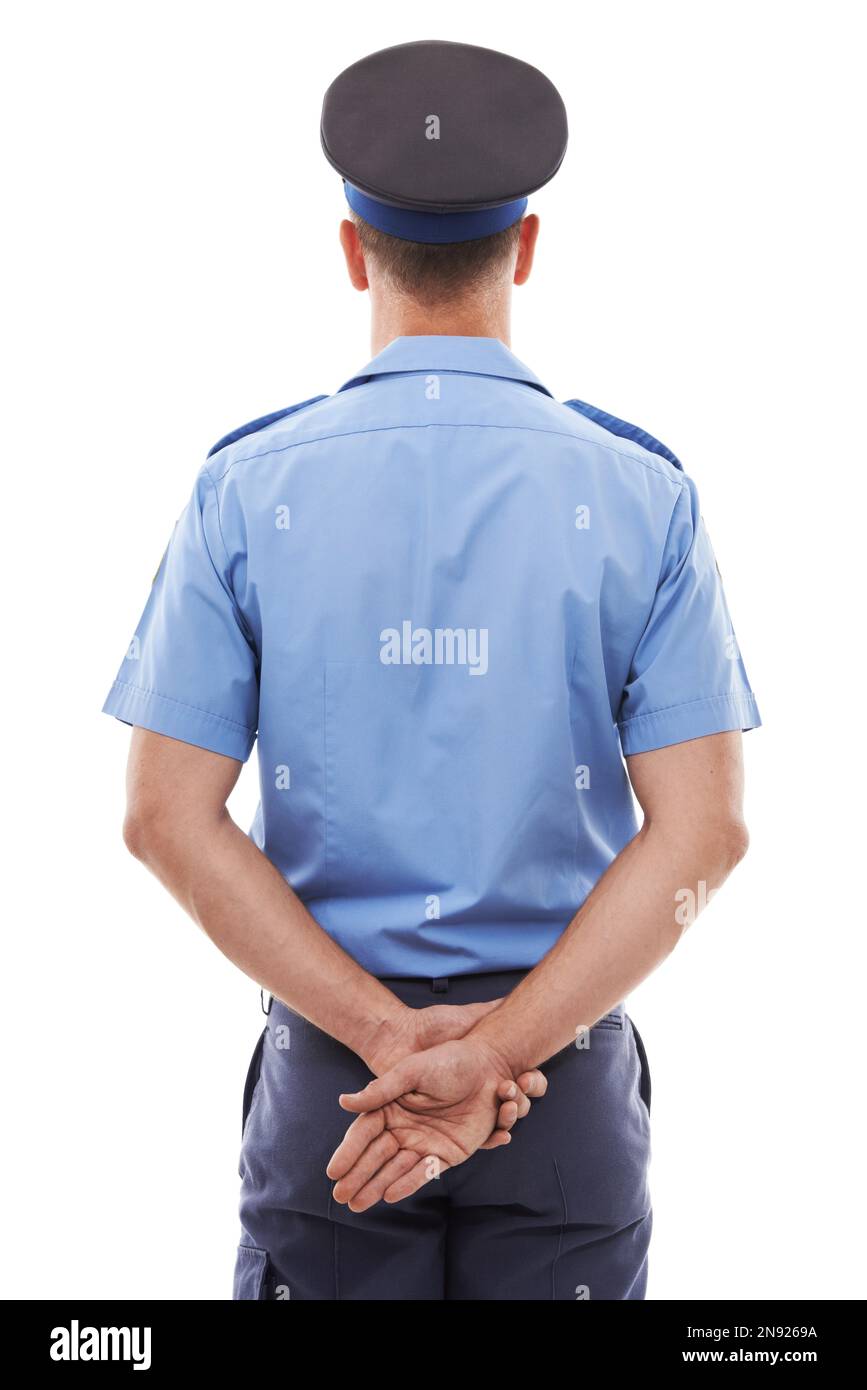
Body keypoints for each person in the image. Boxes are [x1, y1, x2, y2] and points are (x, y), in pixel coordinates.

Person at [103, 40, 761, 1300]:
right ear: (526, 247)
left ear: (353, 251)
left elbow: (161, 814)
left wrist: (389, 1040)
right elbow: (707, 832)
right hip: (558, 1090)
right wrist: (498, 1049)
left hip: (336, 1096)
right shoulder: (643, 495)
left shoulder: (245, 490)